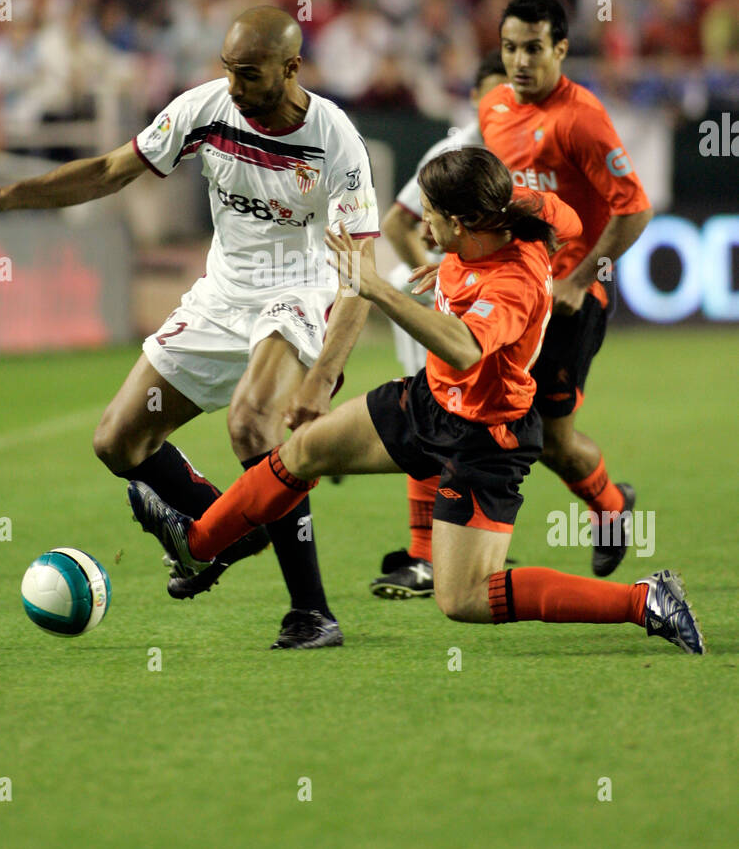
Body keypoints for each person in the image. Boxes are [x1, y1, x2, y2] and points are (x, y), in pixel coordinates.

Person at [135, 147, 704, 656]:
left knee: (464, 598)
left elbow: (462, 349)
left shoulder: (513, 281)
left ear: (461, 222)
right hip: (427, 403)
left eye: (430, 214)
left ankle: (643, 600)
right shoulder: (513, 207)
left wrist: (377, 286)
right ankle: (201, 542)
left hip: (484, 439)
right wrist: (454, 265)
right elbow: (571, 217)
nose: (421, 223)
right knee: (303, 451)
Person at [0, 5, 380, 649]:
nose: (235, 87)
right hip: (220, 297)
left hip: (298, 291)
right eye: (229, 70)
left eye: (251, 75)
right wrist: (2, 200)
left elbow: (358, 274)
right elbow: (112, 171)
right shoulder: (204, 109)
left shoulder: (334, 139)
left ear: (292, 69)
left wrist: (325, 373)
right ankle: (227, 527)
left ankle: (312, 612)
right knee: (118, 441)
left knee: (252, 423)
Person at [479, 0, 653, 578]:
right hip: (514, 295)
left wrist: (581, 279)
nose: (520, 61)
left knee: (552, 442)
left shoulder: (581, 118)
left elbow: (634, 209)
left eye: (533, 48)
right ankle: (455, 550)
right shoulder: (494, 109)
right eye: (509, 48)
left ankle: (611, 506)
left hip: (571, 301)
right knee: (480, 416)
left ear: (561, 48)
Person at [372, 48, 506, 599]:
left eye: (514, 94)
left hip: (497, 312)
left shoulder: (531, 145)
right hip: (441, 309)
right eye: (494, 93)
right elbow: (398, 223)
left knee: (492, 421)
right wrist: (439, 272)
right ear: (476, 99)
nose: (507, 103)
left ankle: (463, 545)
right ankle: (426, 556)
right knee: (433, 418)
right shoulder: (457, 149)